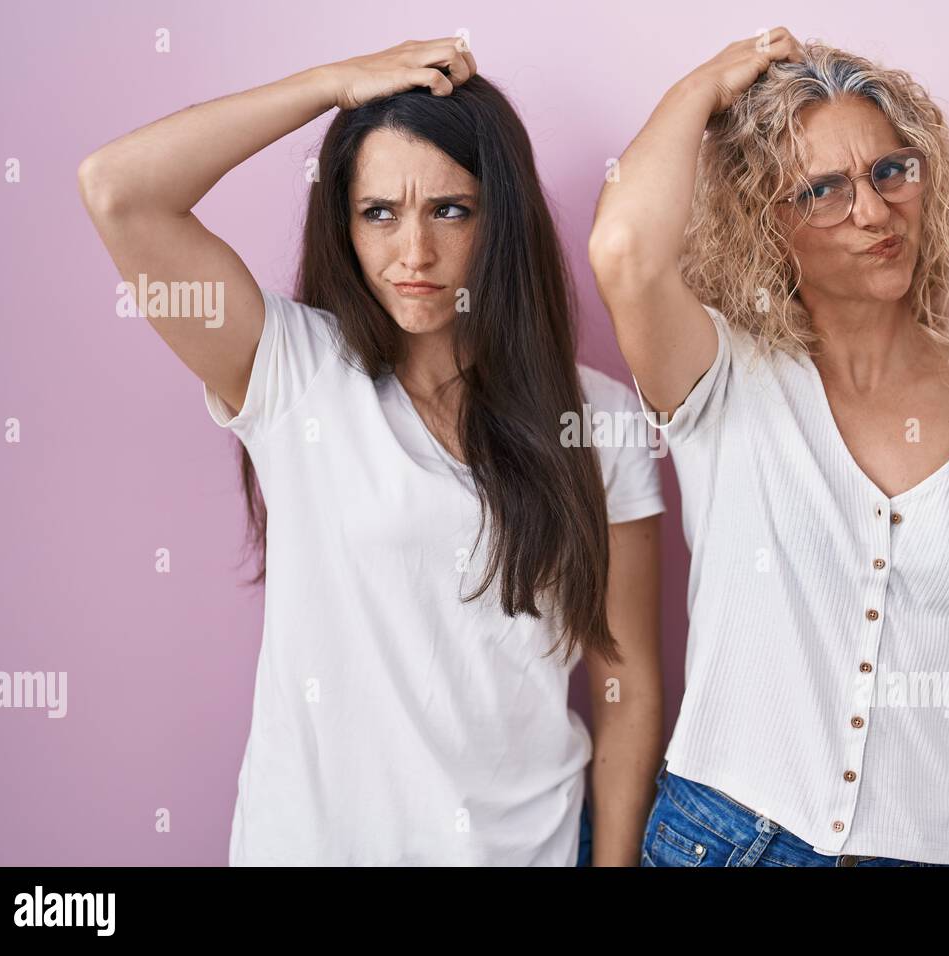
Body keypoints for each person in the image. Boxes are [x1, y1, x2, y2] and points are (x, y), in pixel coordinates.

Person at [79, 38, 665, 866]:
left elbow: (626, 682)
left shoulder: (598, 419)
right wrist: (329, 86)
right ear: (343, 220)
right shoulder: (290, 370)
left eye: (450, 210)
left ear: (501, 221)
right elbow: (118, 190)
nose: (413, 254)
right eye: (379, 212)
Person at [589, 30, 949, 867]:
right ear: (768, 224)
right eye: (822, 190)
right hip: (725, 839)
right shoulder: (721, 378)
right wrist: (705, 85)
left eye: (889, 171)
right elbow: (621, 251)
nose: (872, 212)